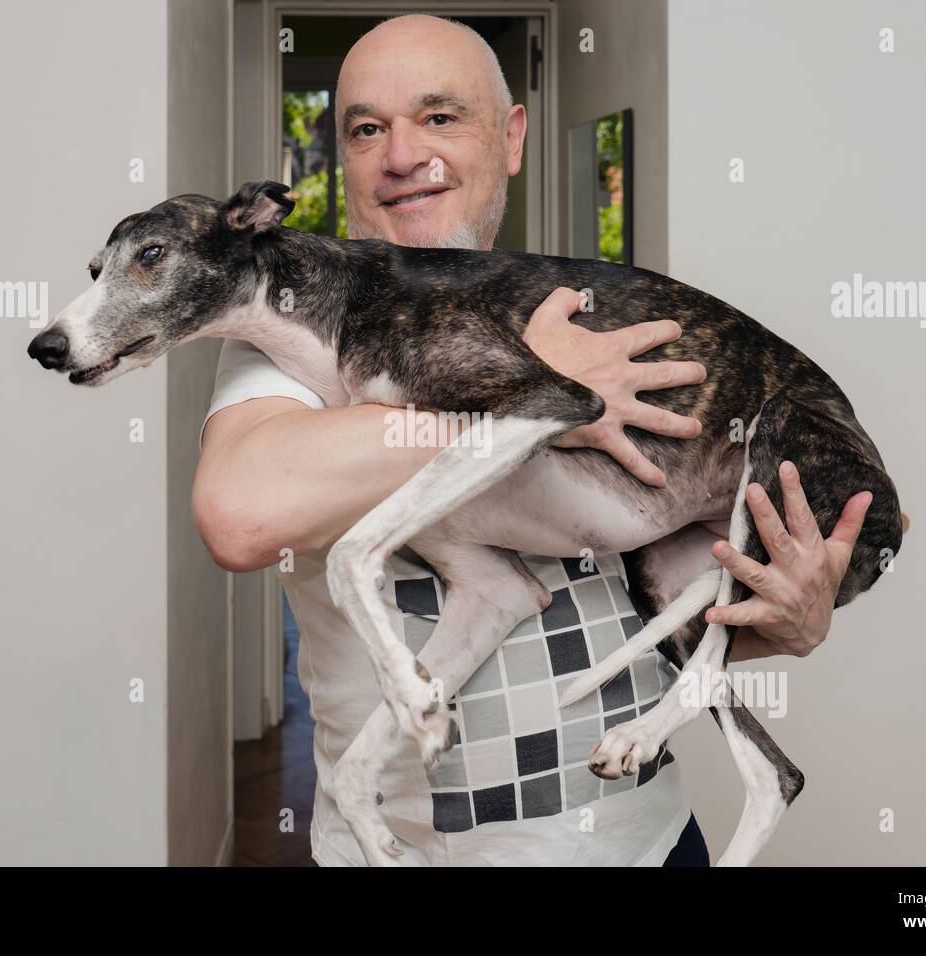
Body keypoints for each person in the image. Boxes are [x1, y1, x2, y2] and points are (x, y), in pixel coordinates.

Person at [193, 14, 868, 866]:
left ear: (511, 139)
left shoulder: (596, 317)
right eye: (367, 129)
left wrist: (793, 618)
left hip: (652, 841)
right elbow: (239, 514)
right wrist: (532, 392)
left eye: (440, 117)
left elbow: (676, 590)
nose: (403, 155)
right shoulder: (296, 342)